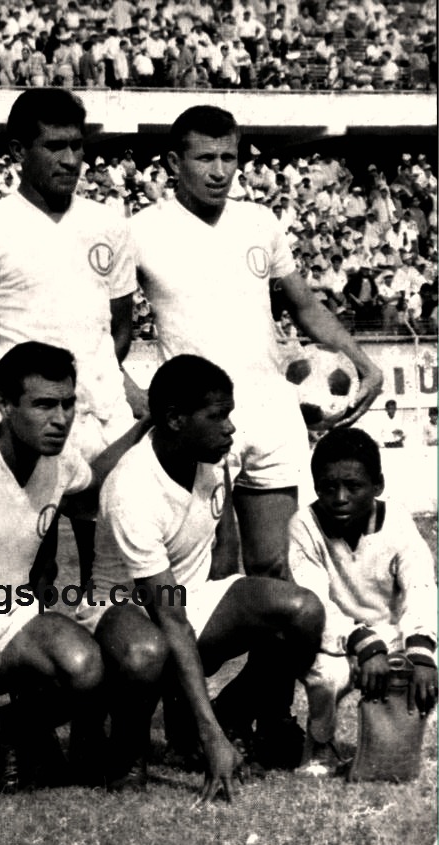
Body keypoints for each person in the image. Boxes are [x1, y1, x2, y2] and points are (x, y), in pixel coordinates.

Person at [129, 105, 383, 586]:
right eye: (206, 158)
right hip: (202, 418)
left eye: (230, 157)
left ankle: (269, 666)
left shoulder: (260, 222)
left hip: (270, 409)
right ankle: (194, 663)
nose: (220, 171)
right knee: (212, 568)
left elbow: (305, 307)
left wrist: (362, 362)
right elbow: (108, 326)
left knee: (274, 564)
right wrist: (134, 395)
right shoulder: (141, 231)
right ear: (171, 163)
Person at [83, 355, 326, 796]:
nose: (230, 427)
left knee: (303, 609)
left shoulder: (212, 457)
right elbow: (170, 617)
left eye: (229, 414)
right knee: (145, 652)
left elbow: (223, 554)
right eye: (217, 416)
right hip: (122, 613)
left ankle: (228, 714)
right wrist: (208, 736)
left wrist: (200, 717)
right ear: (175, 419)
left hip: (187, 599)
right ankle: (127, 753)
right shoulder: (132, 487)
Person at [0, 87, 141, 585]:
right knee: (36, 564)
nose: (71, 159)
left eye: (77, 146)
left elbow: (121, 325)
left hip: (102, 412)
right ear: (18, 152)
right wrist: (9, 408)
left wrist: (99, 384)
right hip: (32, 416)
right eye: (55, 146)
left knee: (117, 562)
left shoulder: (108, 225)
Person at [0, 341, 155, 792]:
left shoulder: (60, 460)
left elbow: (93, 480)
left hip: (10, 619)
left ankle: (12, 730)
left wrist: (146, 424)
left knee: (85, 666)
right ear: (3, 404)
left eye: (68, 403)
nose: (60, 418)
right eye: (43, 405)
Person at [288, 428, 436, 775]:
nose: (339, 498)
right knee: (326, 676)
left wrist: (419, 647)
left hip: (395, 635)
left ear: (378, 485)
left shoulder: (397, 520)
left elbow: (421, 586)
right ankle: (320, 743)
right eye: (328, 487)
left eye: (353, 486)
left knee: (427, 671)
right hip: (336, 640)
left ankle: (399, 744)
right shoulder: (304, 525)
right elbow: (314, 597)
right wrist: (362, 644)